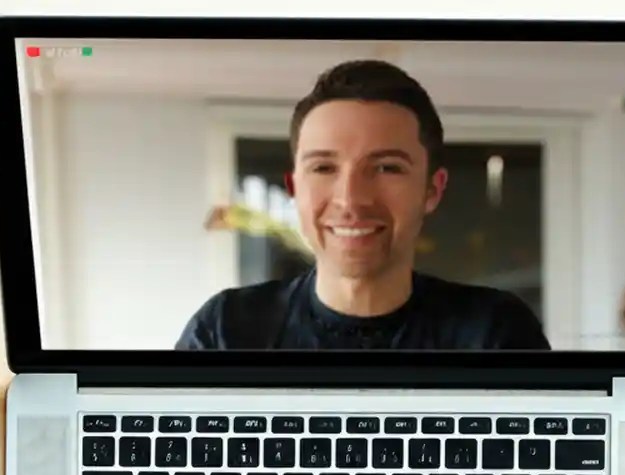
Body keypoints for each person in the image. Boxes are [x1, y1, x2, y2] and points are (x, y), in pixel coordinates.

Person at [175, 59, 552, 350]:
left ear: (432, 190)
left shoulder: (494, 332)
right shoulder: (225, 331)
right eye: (324, 167)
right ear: (295, 188)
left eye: (387, 167)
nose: (351, 199)